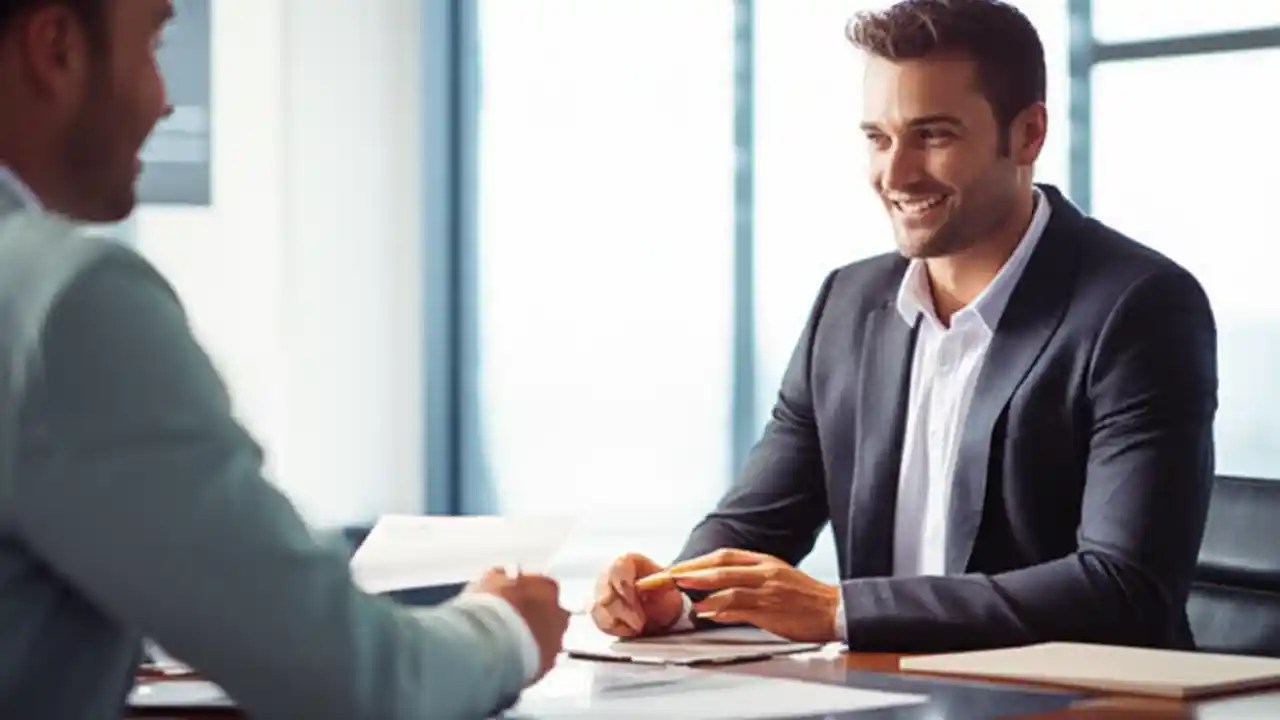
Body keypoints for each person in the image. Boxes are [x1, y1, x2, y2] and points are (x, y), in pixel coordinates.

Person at [593, 0, 1217, 652]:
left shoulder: (1139, 308)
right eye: (878, 138)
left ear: (1029, 134)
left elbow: (1124, 589)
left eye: (934, 135)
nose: (894, 175)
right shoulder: (848, 303)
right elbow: (755, 526)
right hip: (887, 697)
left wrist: (840, 611)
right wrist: (673, 595)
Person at [0, 1, 568, 717]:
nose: (165, 97)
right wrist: (506, 626)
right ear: (55, 48)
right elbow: (358, 682)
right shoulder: (64, 303)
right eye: (152, 44)